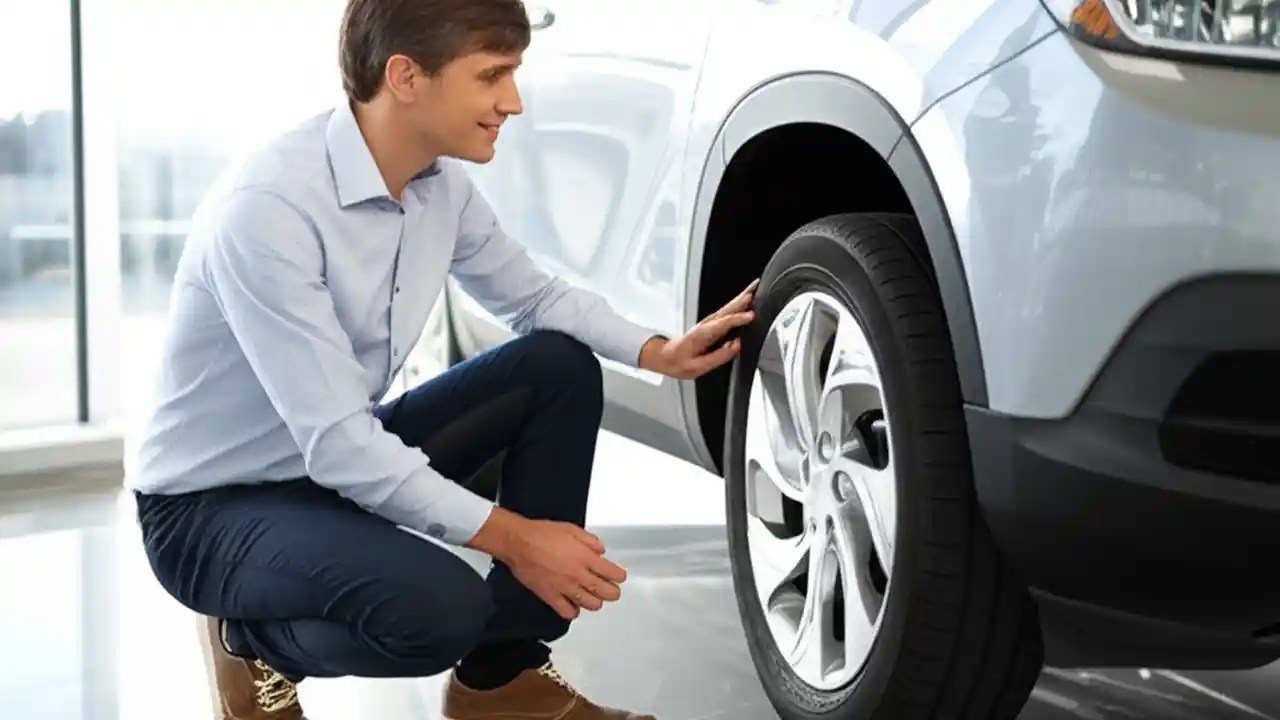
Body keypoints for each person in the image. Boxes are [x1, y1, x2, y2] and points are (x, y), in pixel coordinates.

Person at [127, 0, 756, 718]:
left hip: (326, 464)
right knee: (439, 612)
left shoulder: (439, 188)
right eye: (492, 75)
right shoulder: (270, 209)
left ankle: (503, 676)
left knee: (557, 369)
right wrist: (519, 541)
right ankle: (252, 643)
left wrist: (658, 351)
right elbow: (341, 445)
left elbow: (535, 299)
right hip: (211, 511)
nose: (512, 103)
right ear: (406, 77)